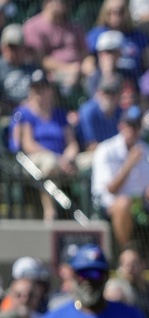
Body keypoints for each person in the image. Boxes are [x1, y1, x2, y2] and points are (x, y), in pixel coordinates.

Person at [91, 106, 149, 253]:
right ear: (121, 126)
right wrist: (130, 162)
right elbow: (111, 189)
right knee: (123, 203)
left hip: (141, 202)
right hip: (109, 204)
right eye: (129, 126)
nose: (133, 131)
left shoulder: (147, 151)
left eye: (136, 126)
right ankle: (126, 254)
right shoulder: (106, 149)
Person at [9, 70, 79, 221]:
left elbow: (72, 144)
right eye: (35, 88)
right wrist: (58, 159)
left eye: (43, 88)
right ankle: (51, 213)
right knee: (50, 164)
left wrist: (67, 158)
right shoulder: (24, 113)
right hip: (35, 160)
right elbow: (28, 145)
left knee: (93, 159)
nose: (39, 92)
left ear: (51, 91)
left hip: (64, 159)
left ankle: (94, 213)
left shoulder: (60, 114)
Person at [22, 0, 87, 90]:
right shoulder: (33, 26)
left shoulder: (75, 26)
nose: (66, 4)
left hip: (79, 71)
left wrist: (87, 64)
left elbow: (85, 53)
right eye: (62, 2)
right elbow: (40, 60)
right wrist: (68, 68)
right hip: (50, 75)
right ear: (48, 3)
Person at [0, 24, 41, 117]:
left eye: (18, 47)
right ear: (3, 47)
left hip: (32, 114)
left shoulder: (32, 68)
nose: (15, 51)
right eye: (11, 47)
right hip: (7, 116)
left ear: (24, 48)